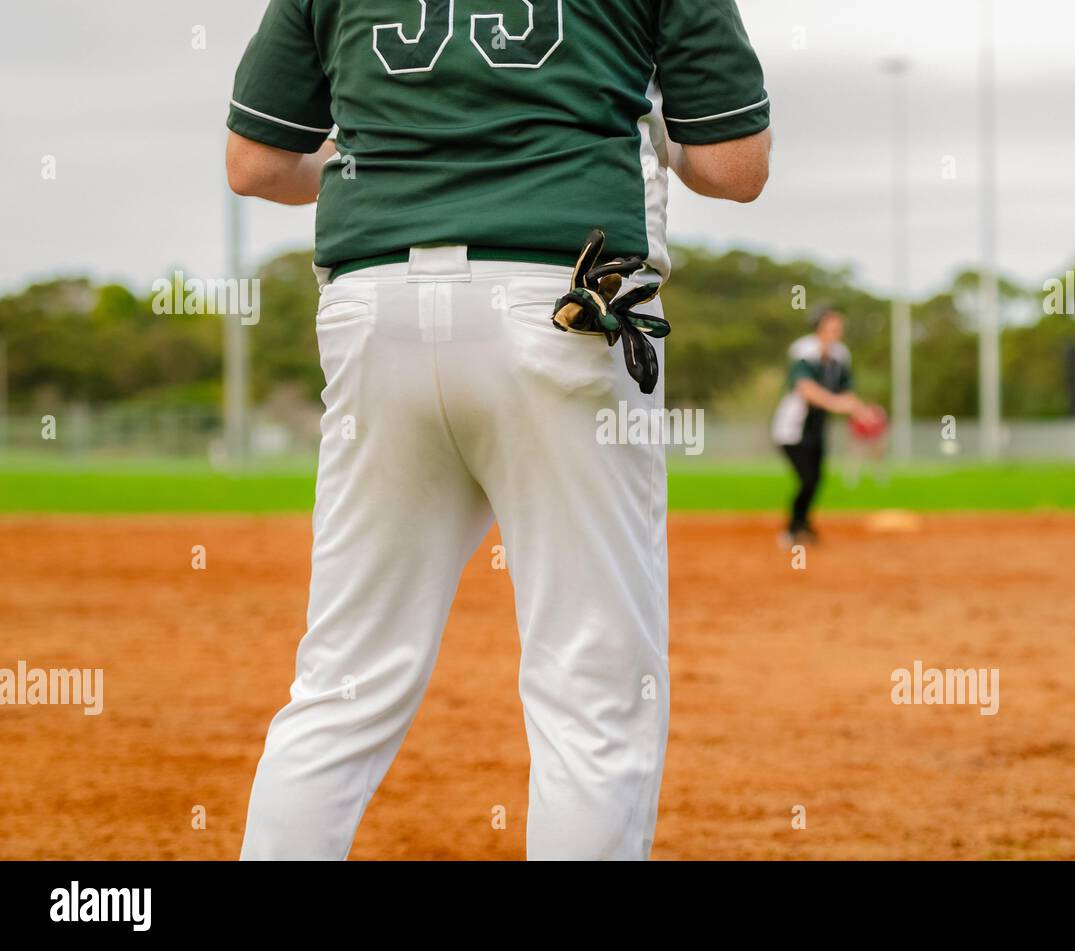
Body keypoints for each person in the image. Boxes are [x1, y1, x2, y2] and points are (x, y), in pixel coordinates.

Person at [225, 0, 771, 861]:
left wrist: (384, 156)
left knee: (342, 685)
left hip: (375, 304)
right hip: (564, 300)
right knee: (593, 696)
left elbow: (256, 163)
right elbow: (734, 165)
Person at [771, 307, 877, 544]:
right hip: (793, 429)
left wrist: (861, 411)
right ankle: (791, 530)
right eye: (833, 327)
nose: (838, 332)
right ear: (819, 328)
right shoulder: (804, 350)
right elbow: (805, 389)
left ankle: (804, 526)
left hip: (817, 428)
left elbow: (847, 392)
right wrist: (840, 405)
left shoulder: (840, 355)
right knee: (807, 479)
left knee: (817, 478)